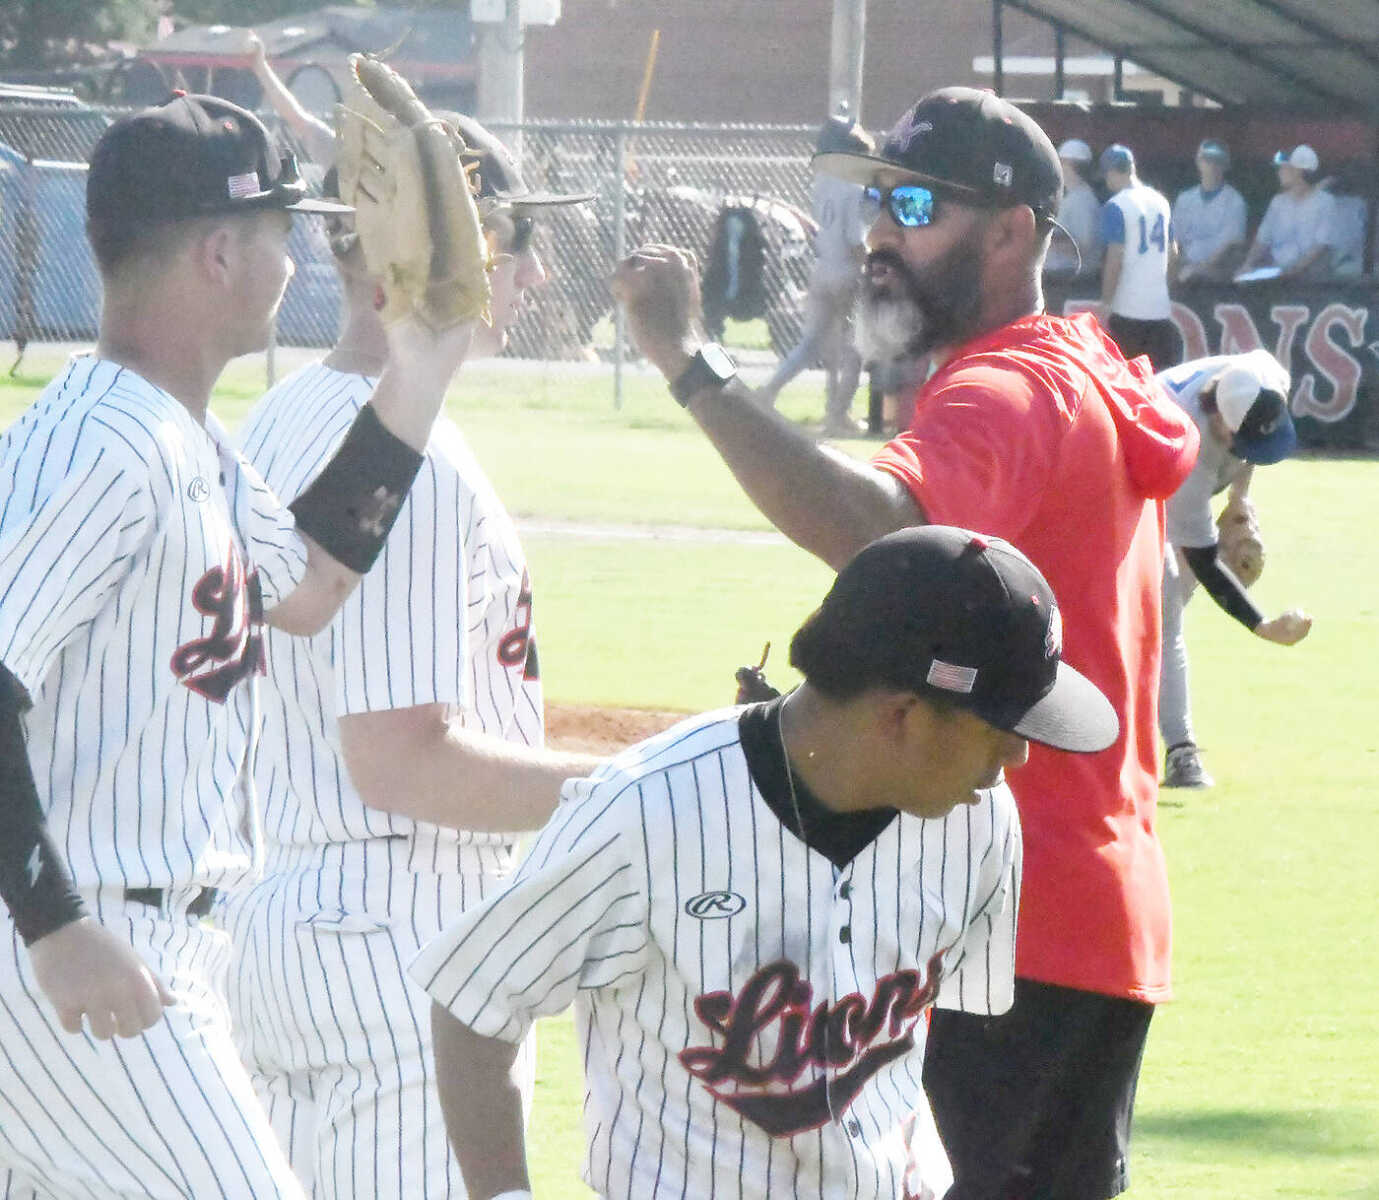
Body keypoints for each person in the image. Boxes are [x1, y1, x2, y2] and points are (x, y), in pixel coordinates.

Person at [611, 85, 1200, 1199]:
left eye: (918, 205)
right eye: (879, 202)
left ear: (1012, 231)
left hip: (1004, 925)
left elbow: (876, 532)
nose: (881, 232)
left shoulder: (1004, 388)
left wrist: (689, 360)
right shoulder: (1077, 363)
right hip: (1088, 913)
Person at [0, 93, 471, 1195]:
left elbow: (309, 585)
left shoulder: (185, 438)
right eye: (280, 231)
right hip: (83, 943)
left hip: (127, 941)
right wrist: (55, 924)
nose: (295, 260)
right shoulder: (99, 444)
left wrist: (420, 369)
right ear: (219, 253)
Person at [414, 524, 1120, 1199]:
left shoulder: (979, 820)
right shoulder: (644, 810)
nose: (1018, 756)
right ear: (901, 715)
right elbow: (476, 998)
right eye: (999, 727)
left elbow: (943, 1046)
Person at [219, 106, 604, 1196]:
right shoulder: (411, 462)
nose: (530, 273)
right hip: (397, 942)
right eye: (512, 238)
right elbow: (400, 760)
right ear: (443, 241)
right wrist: (638, 787)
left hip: (287, 915)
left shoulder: (282, 414)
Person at [1155, 350, 1313, 788]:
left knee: (1164, 618)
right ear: (1220, 421)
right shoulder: (1185, 438)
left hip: (1185, 480)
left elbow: (1250, 453)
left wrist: (1239, 497)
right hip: (1126, 484)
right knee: (1164, 612)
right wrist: (1261, 625)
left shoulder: (1266, 378)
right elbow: (1203, 560)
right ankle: (1181, 752)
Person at [755, 114, 873, 436]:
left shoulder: (822, 183)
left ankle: (769, 391)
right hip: (847, 273)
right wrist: (872, 266)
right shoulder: (855, 188)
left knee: (812, 343)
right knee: (855, 349)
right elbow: (855, 240)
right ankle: (838, 414)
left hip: (821, 269)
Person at [1099, 143, 1182, 369]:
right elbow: (1173, 253)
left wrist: (1106, 303)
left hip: (1127, 311)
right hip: (1159, 311)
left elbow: (1115, 257)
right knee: (1158, 380)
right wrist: (1163, 292)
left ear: (1111, 172)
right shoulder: (1161, 201)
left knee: (1127, 380)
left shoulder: (1116, 205)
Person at [1238, 145, 1339, 281]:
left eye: (1283, 168)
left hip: (1312, 280)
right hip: (1278, 275)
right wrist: (1247, 265)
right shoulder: (1277, 202)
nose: (1279, 172)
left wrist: (1294, 270)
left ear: (1298, 170)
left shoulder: (1325, 202)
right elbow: (1263, 239)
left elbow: (1321, 245)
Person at [1172, 139, 1248, 284]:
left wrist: (1198, 268)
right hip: (1185, 266)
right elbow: (1174, 240)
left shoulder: (1235, 201)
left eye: (1217, 160)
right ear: (1198, 162)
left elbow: (1229, 248)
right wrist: (1178, 265)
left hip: (1219, 271)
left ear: (1225, 165)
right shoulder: (1184, 199)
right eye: (1207, 159)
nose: (1212, 165)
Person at [1043, 137, 1102, 278]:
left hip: (1071, 279)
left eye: (1060, 161)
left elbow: (1084, 247)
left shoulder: (1082, 200)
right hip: (1062, 276)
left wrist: (1044, 241)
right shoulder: (1074, 196)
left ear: (1069, 164)